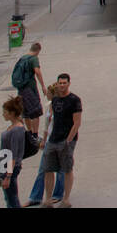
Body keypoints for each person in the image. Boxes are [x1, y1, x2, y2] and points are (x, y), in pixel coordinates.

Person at [40, 72, 81, 207]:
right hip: (53, 140)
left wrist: (68, 141)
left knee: (67, 169)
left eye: (64, 83)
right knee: (48, 169)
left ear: (69, 83)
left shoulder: (74, 100)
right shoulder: (55, 100)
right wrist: (47, 138)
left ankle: (66, 199)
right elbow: (51, 120)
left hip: (66, 140)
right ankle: (48, 199)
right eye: (60, 83)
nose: (62, 85)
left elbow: (77, 123)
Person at [25, 83, 66, 206]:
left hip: (60, 141)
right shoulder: (49, 106)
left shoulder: (62, 106)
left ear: (53, 94)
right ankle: (35, 197)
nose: (46, 94)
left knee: (60, 170)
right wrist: (43, 139)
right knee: (43, 169)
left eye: (48, 93)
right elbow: (46, 125)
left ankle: (58, 194)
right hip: (49, 141)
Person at [0, 96, 27, 208]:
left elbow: (14, 154)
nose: (3, 114)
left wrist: (8, 177)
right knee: (8, 198)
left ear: (12, 113)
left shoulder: (16, 130)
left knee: (12, 198)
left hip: (9, 167)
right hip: (5, 164)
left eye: (5, 112)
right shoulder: (13, 127)